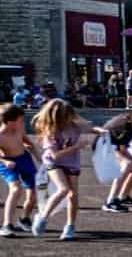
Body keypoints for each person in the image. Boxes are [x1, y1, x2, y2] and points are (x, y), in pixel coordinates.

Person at [30, 99, 93, 240]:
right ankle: (42, 217)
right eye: (67, 115)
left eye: (71, 115)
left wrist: (102, 130)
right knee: (63, 190)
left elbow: (89, 126)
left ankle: (70, 226)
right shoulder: (50, 132)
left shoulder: (74, 125)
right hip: (54, 162)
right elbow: (55, 155)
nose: (70, 118)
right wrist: (77, 147)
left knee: (73, 195)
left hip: (72, 163)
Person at [0, 104, 42, 237]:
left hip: (24, 160)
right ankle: (6, 225)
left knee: (33, 194)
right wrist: (5, 161)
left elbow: (29, 143)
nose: (23, 122)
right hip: (7, 162)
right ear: (11, 122)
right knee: (15, 189)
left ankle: (24, 219)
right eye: (20, 120)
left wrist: (38, 157)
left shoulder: (20, 129)